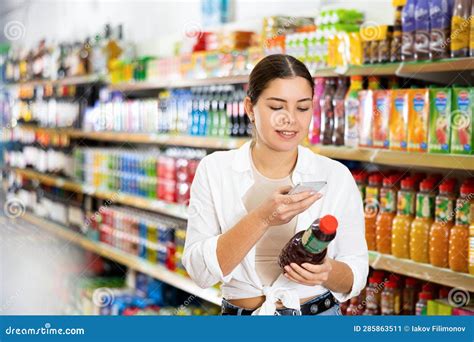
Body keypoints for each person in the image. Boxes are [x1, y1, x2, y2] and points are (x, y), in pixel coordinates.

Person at [182, 54, 368, 315]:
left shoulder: (335, 175)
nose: (290, 119)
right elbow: (199, 271)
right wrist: (262, 218)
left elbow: (356, 274)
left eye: (302, 108)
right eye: (277, 107)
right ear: (250, 108)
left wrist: (327, 271)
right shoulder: (215, 170)